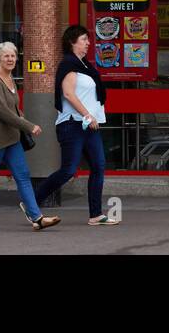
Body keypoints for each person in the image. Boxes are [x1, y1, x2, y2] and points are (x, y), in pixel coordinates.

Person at [0, 41, 60, 232]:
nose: (10, 59)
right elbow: (1, 111)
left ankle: (37, 218)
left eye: (13, 56)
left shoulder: (11, 80)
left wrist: (22, 120)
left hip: (11, 139)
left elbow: (14, 109)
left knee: (23, 176)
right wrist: (28, 126)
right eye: (6, 56)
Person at [34, 25, 118, 225]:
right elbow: (68, 94)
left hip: (88, 126)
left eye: (88, 39)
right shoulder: (69, 64)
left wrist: (91, 118)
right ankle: (31, 202)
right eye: (83, 39)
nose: (88, 42)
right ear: (72, 42)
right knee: (69, 170)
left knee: (98, 166)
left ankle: (96, 215)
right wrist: (88, 115)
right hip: (73, 125)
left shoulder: (84, 65)